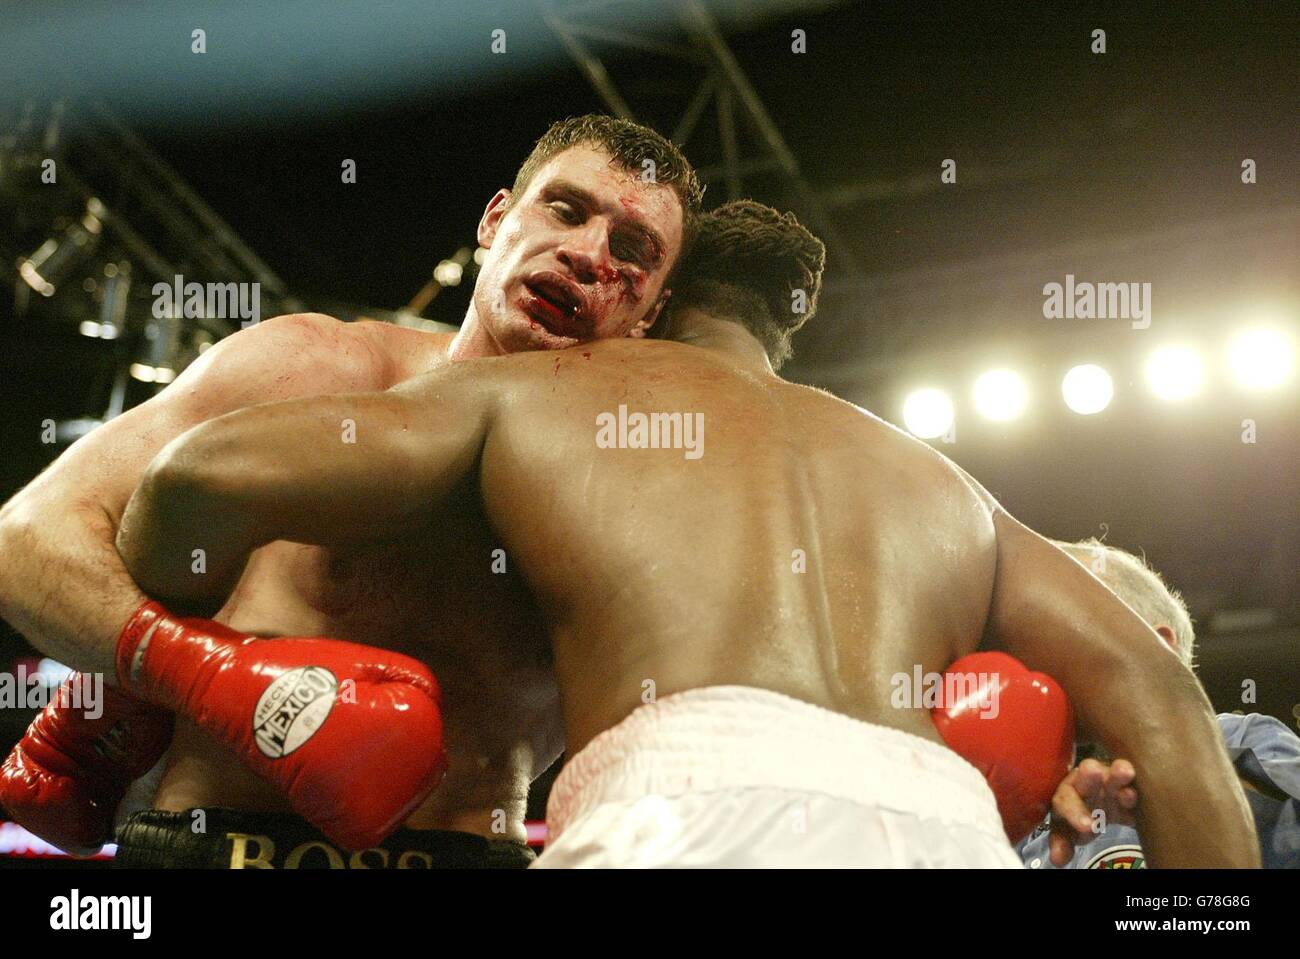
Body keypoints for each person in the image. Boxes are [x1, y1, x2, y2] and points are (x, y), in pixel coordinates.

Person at [111, 199, 1258, 867]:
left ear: (647, 298)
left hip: (678, 820)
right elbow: (1160, 690)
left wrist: (169, 656)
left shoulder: (539, 394)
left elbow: (201, 472)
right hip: (944, 829)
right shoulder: (942, 483)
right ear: (780, 338)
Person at [0, 114, 703, 868]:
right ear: (495, 221)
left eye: (632, 250)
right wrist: (203, 673)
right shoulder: (319, 369)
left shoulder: (638, 485)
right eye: (566, 209)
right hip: (221, 839)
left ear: (650, 314)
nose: (589, 253)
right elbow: (23, 537)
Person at [1019, 538, 1300, 869]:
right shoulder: (1037, 799)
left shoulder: (1244, 737)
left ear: (1157, 648)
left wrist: (1164, 786)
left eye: (1066, 627)